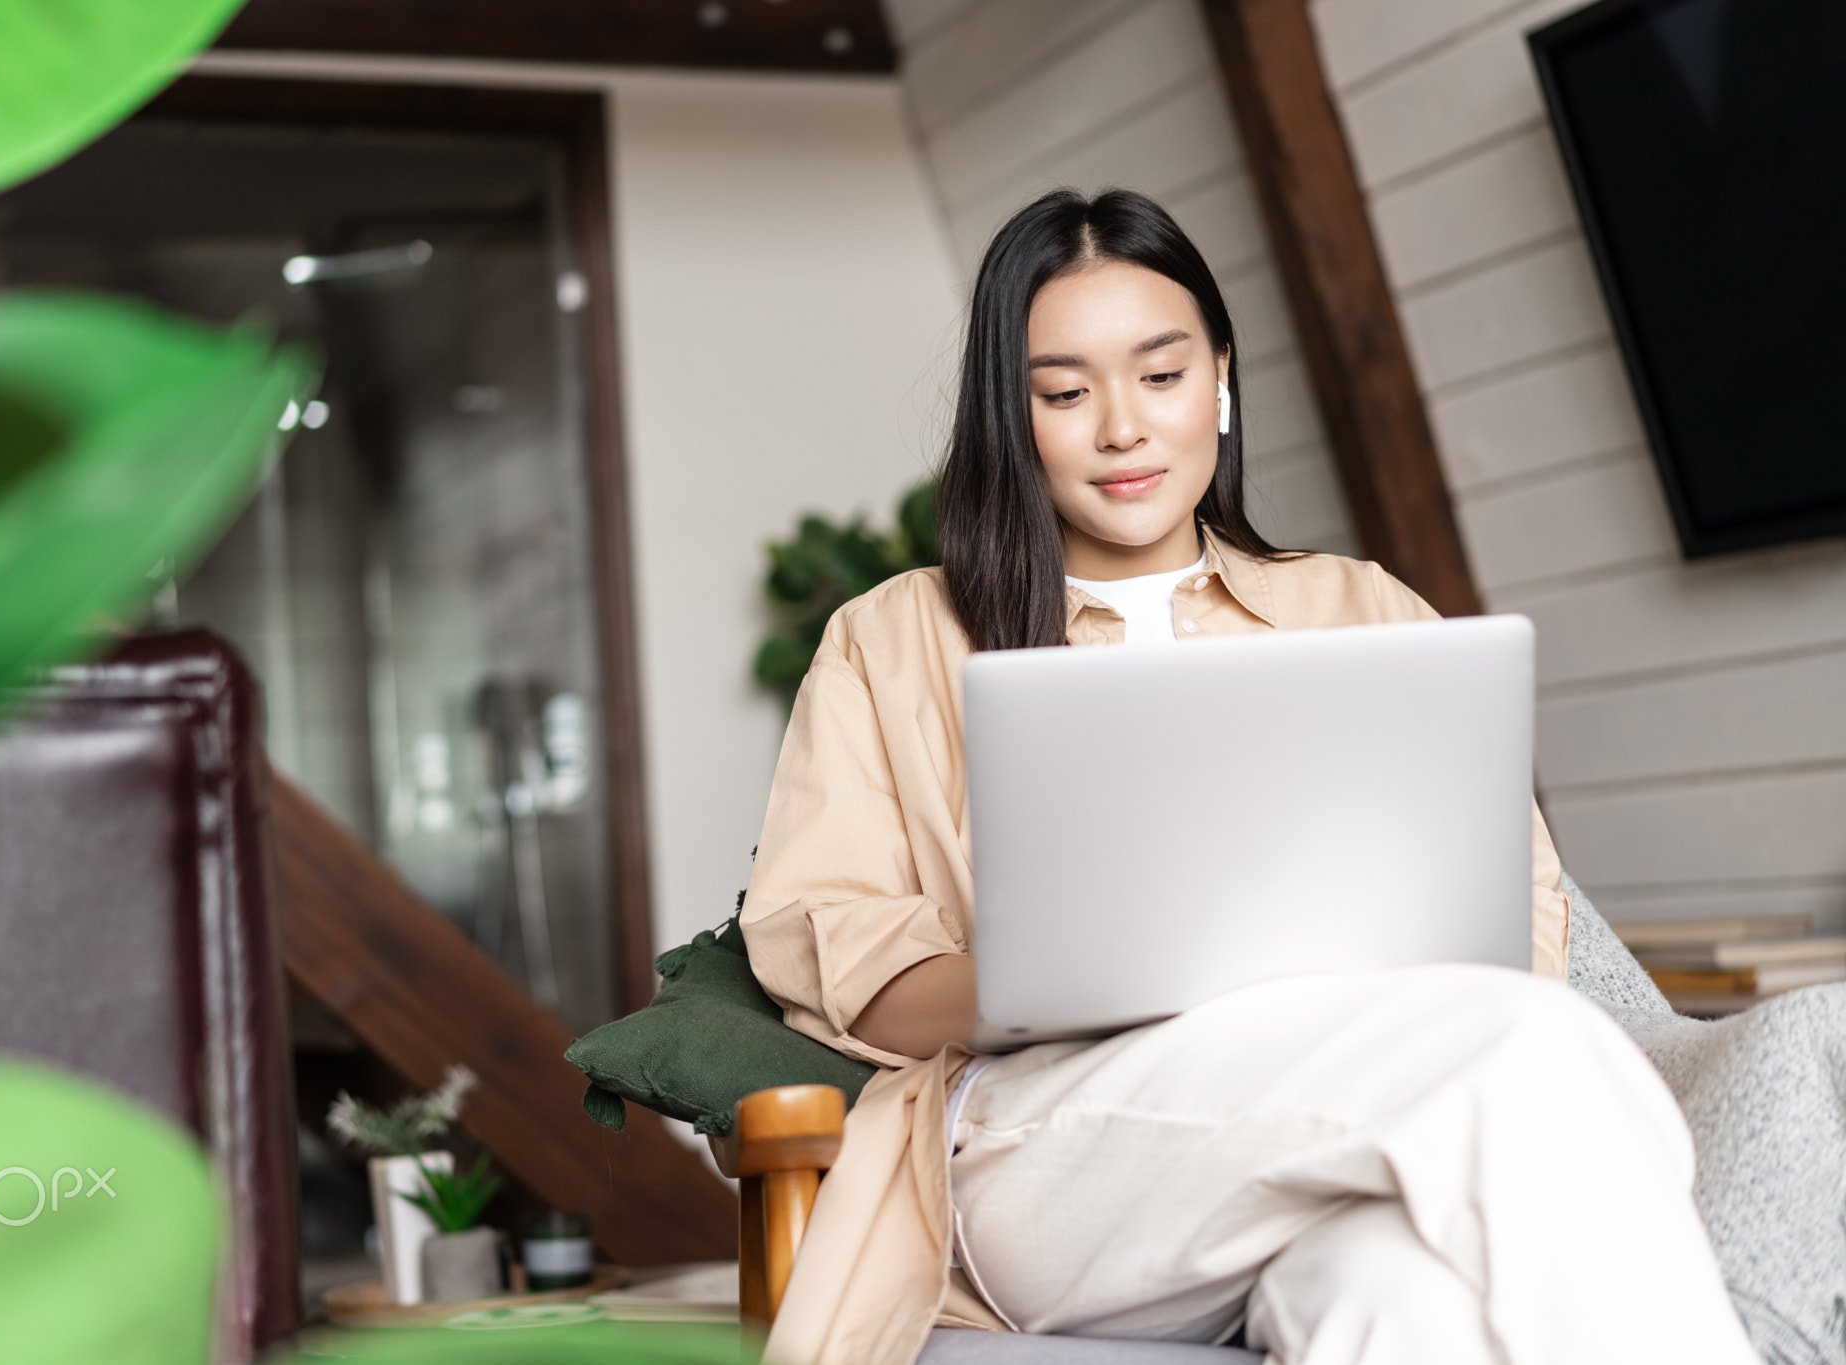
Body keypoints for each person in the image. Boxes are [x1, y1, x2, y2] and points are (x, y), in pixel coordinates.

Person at [737, 189, 1758, 1365]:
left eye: (1160, 377)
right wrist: (1058, 972)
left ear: (1219, 377)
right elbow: (833, 953)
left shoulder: (1361, 610)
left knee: (1404, 1305)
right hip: (1038, 1151)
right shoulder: (893, 639)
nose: (1122, 428)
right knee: (1528, 1050)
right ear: (1009, 420)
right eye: (1064, 394)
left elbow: (1514, 914)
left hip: (1343, 1119)